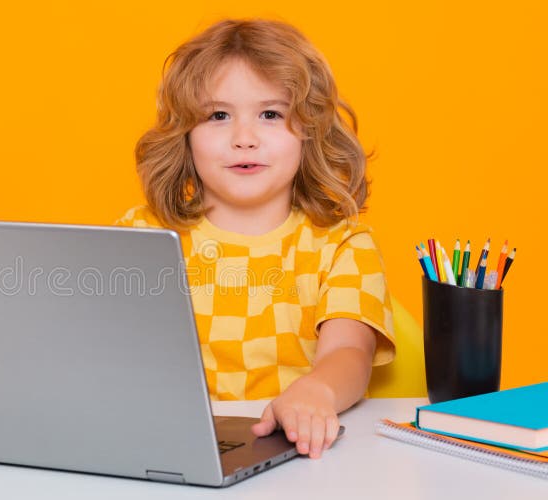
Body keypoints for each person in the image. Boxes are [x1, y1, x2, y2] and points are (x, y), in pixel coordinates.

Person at [115, 18, 396, 459]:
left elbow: (349, 351)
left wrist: (318, 391)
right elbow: (105, 351)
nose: (244, 139)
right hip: (169, 448)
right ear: (185, 135)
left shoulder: (342, 244)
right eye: (218, 115)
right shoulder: (144, 237)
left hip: (299, 455)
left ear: (309, 131)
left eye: (270, 114)